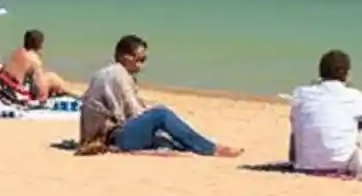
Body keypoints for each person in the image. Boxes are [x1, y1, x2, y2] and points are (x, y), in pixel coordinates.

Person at [77, 34, 242, 157]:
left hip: (100, 136)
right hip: (114, 138)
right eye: (140, 59)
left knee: (164, 128)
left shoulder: (105, 72)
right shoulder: (120, 75)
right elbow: (132, 111)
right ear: (126, 58)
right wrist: (155, 116)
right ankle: (212, 149)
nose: (142, 64)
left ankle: (200, 144)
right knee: (161, 115)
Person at [289, 49, 362, 173]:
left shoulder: (300, 94)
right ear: (346, 73)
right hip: (342, 164)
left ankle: (297, 158)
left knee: (300, 122)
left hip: (304, 164)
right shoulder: (351, 96)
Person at [3, 29, 73, 101]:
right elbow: (40, 87)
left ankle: (65, 89)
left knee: (50, 76)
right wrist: (44, 97)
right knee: (52, 78)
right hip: (17, 91)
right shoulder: (34, 59)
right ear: (38, 44)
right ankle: (67, 91)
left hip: (7, 84)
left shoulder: (18, 51)